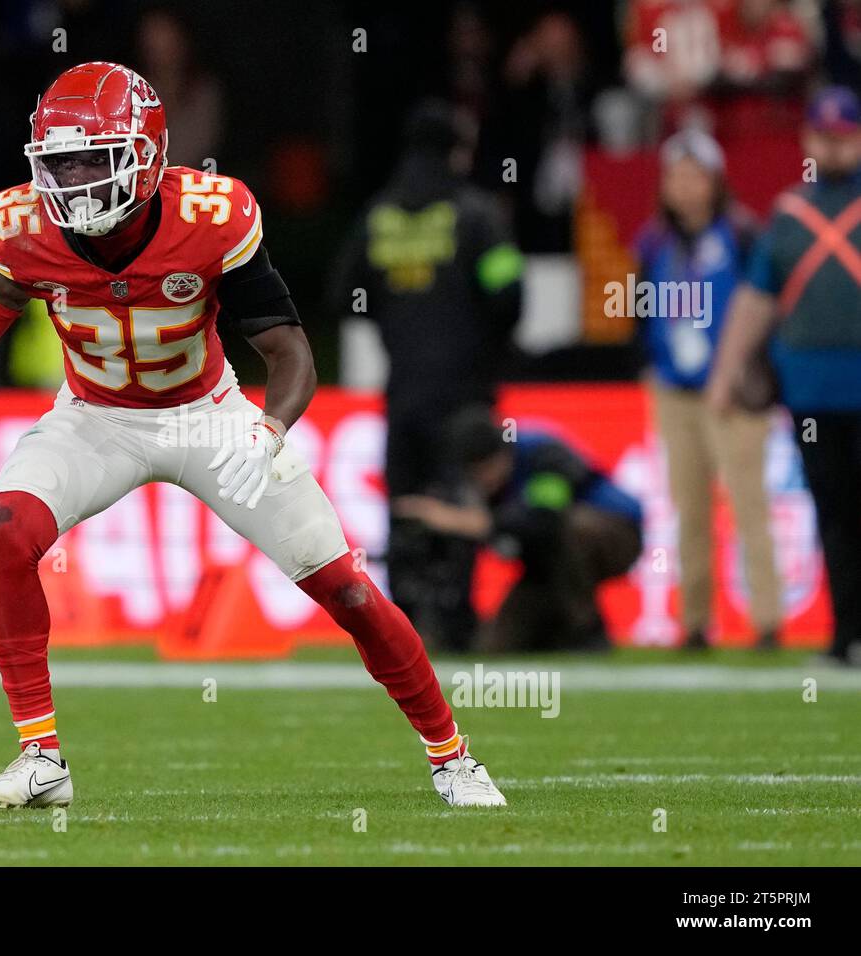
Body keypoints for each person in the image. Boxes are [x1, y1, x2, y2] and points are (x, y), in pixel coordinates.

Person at [0, 62, 508, 808]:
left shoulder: (211, 217)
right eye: (60, 162)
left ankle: (453, 756)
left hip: (209, 414)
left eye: (94, 158)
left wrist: (269, 427)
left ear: (147, 155)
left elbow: (289, 350)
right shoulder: (22, 229)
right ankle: (40, 757)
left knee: (341, 583)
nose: (75, 180)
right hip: (95, 417)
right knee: (3, 531)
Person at [331, 100, 523, 651]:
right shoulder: (477, 214)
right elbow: (510, 294)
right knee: (459, 501)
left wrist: (400, 313)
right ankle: (456, 623)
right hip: (465, 393)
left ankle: (401, 625)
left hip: (405, 388)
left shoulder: (379, 216)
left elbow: (342, 295)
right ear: (455, 151)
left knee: (406, 507)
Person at [709, 86, 861, 666]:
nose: (833, 146)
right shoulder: (790, 214)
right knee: (834, 512)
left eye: (843, 135)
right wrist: (726, 372)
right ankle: (847, 633)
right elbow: (756, 299)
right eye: (823, 136)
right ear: (807, 140)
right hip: (812, 392)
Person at [636, 128, 781, 650]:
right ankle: (696, 622)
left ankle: (768, 621)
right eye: (675, 176)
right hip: (675, 391)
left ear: (716, 181)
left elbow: (766, 307)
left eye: (695, 175)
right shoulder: (655, 241)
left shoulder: (741, 235)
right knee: (688, 507)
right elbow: (639, 312)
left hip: (735, 392)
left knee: (748, 504)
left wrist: (749, 374)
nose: (685, 187)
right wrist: (650, 367)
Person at [395, 408, 643, 652]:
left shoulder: (543, 453)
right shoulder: (473, 488)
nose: (485, 478)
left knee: (572, 530)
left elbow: (546, 520)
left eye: (487, 467)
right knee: (495, 645)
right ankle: (559, 634)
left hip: (616, 532)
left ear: (503, 453)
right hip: (544, 567)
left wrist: (466, 522)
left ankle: (587, 629)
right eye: (475, 472)